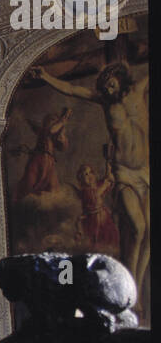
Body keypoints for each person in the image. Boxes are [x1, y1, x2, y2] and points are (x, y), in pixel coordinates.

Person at [30, 60, 149, 299]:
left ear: (121, 80)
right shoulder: (104, 101)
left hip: (146, 171)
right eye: (104, 86)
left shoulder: (138, 90)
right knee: (138, 228)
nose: (107, 89)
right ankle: (132, 285)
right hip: (124, 172)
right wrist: (46, 77)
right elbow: (72, 90)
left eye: (111, 84)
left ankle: (137, 283)